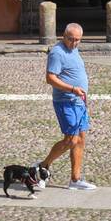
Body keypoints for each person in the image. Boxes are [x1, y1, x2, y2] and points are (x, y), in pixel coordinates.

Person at [39, 23, 96, 190]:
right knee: (71, 139)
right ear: (63, 36)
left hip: (79, 102)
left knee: (81, 140)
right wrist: (72, 88)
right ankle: (44, 164)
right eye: (71, 39)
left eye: (78, 40)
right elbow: (50, 78)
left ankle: (75, 179)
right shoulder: (57, 52)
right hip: (66, 101)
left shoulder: (74, 50)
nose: (74, 43)